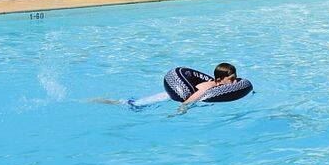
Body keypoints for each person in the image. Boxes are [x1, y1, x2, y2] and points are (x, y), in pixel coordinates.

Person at [96, 63, 241, 110]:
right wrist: (181, 110)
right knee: (134, 105)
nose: (235, 82)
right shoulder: (208, 87)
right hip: (171, 96)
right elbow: (191, 99)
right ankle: (106, 101)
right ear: (220, 79)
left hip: (174, 93)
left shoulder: (220, 86)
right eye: (232, 79)